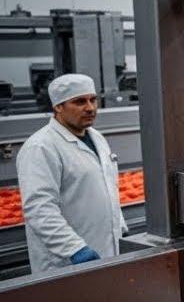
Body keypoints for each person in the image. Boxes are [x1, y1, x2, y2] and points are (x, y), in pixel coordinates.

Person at [17, 73, 126, 275]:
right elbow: (39, 209)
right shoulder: (41, 147)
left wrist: (120, 225)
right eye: (79, 102)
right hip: (66, 261)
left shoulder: (97, 138)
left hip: (106, 251)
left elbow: (108, 186)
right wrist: (75, 248)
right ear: (58, 106)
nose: (90, 108)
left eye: (93, 100)